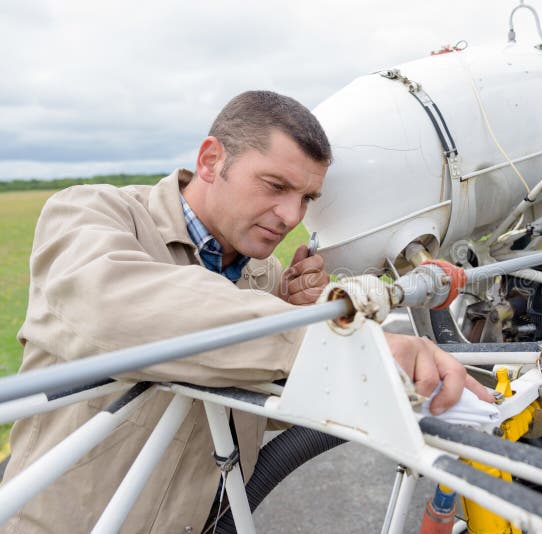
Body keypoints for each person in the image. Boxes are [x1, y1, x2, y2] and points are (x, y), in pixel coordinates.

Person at [1, 90, 493, 533]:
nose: (291, 217)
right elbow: (111, 307)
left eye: (307, 198)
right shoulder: (91, 213)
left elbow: (257, 410)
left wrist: (295, 319)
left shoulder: (265, 276)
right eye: (275, 186)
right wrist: (324, 340)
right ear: (212, 160)